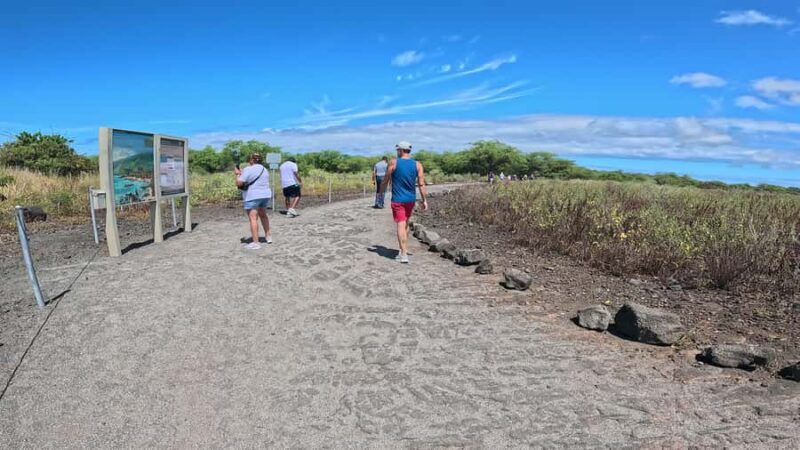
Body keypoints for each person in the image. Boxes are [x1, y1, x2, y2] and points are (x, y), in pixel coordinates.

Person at [379, 141, 428, 264]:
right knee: (405, 224)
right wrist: (424, 200)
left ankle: (404, 254)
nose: (397, 152)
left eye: (397, 150)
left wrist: (380, 192)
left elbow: (386, 179)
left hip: (398, 200)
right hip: (410, 199)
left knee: (401, 225)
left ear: (401, 150)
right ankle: (402, 250)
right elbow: (421, 184)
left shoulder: (394, 162)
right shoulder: (418, 165)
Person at [235, 153, 272, 250]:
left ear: (252, 160)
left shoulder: (248, 169)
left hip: (253, 196)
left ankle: (256, 242)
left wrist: (238, 174)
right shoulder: (265, 169)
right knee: (263, 215)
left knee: (253, 218)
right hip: (266, 195)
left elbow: (239, 183)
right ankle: (268, 237)